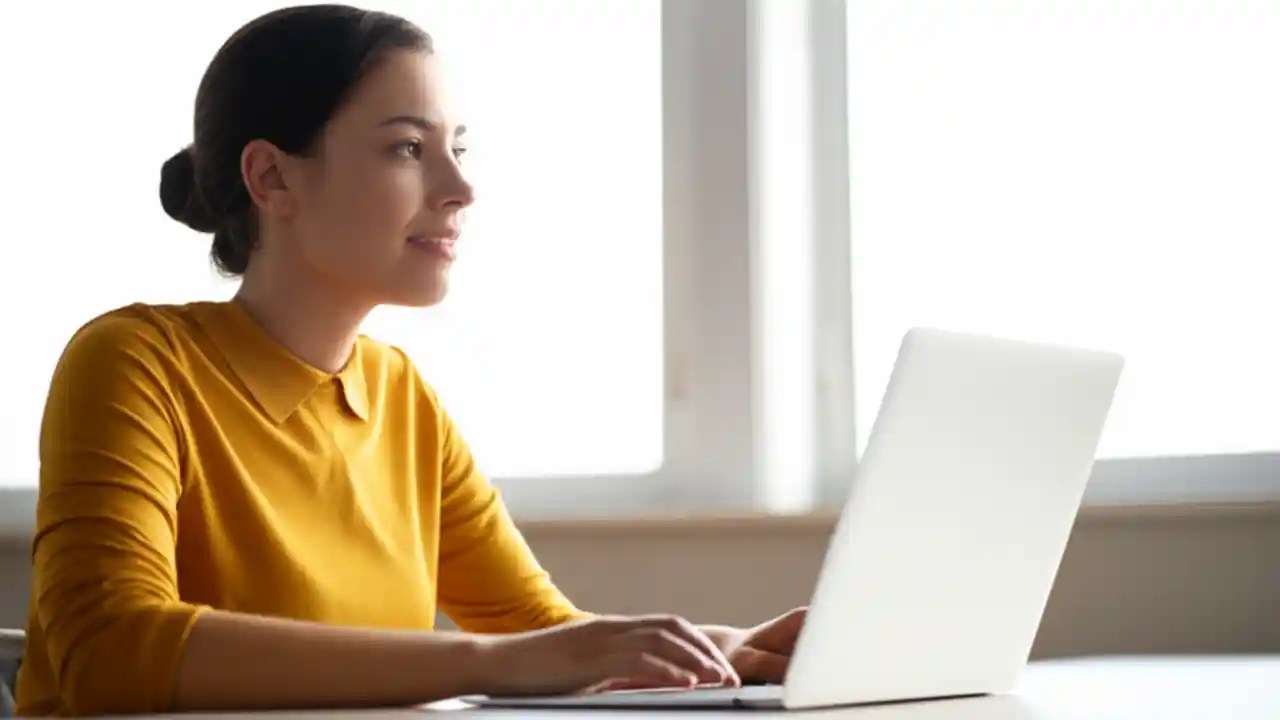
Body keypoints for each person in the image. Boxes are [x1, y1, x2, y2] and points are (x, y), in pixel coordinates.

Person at [15, 4, 805, 716]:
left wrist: (723, 648)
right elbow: (110, 651)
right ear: (272, 176)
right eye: (406, 148)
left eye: (457, 149)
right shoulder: (134, 363)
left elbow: (542, 636)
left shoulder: (400, 396)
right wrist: (490, 662)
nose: (460, 187)